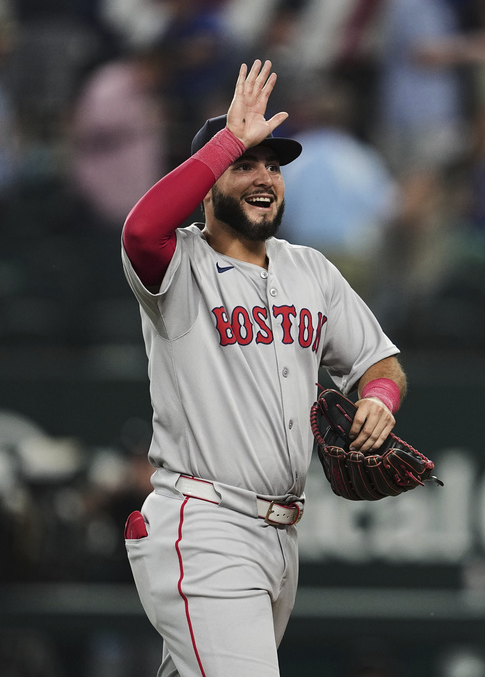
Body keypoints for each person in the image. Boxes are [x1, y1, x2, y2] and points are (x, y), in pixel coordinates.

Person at [120, 60, 406, 676]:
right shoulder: (181, 266)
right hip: (206, 526)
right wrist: (227, 140)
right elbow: (140, 231)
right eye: (245, 164)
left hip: (281, 536)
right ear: (207, 184)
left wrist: (379, 398)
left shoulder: (311, 270)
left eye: (273, 166)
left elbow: (379, 361)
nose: (264, 177)